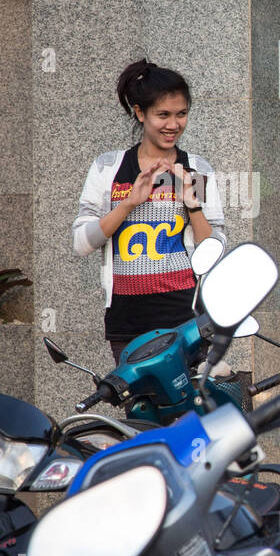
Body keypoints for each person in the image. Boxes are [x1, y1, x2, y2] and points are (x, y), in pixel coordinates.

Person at [72, 59, 225, 362]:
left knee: (189, 408)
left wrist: (191, 202)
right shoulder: (109, 167)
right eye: (163, 115)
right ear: (140, 113)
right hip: (128, 322)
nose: (173, 124)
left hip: (186, 318)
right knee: (139, 409)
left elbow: (214, 250)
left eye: (181, 114)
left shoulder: (195, 168)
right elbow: (81, 243)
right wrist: (129, 202)